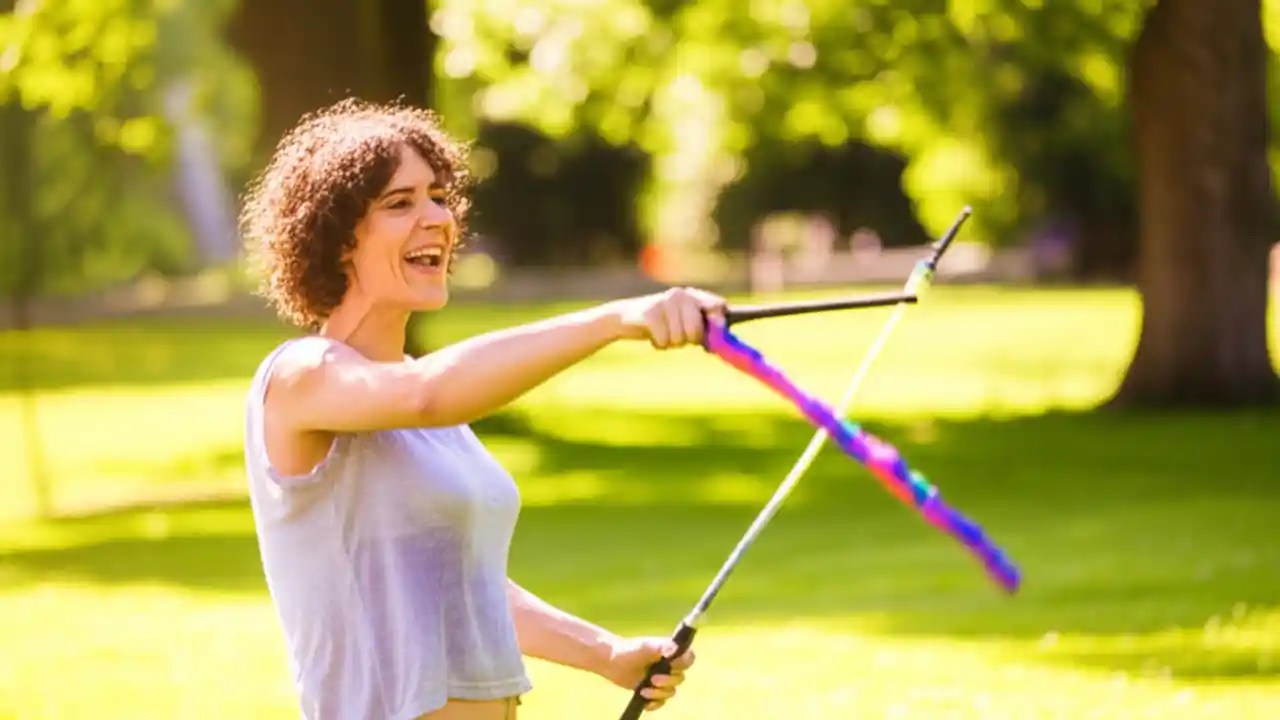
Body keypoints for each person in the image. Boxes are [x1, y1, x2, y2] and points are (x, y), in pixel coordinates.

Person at [238, 97, 721, 720]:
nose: (435, 217)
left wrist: (605, 653)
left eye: (439, 196)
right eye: (399, 202)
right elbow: (427, 397)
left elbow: (462, 585)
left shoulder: (429, 405)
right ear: (337, 238)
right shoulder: (303, 375)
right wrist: (616, 319)